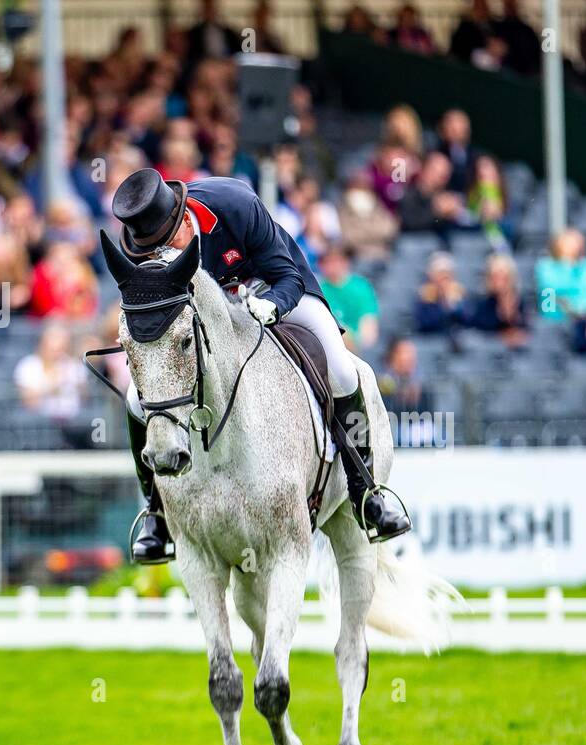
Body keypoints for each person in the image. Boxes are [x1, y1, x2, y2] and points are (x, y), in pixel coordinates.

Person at [108, 168, 411, 562]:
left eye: (169, 246)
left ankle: (365, 490)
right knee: (136, 397)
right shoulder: (137, 245)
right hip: (203, 318)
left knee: (339, 367)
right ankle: (156, 512)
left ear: (185, 218)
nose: (164, 258)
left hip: (273, 288)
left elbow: (286, 275)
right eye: (155, 252)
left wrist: (272, 304)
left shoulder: (235, 205)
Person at [15, 322, 84, 422]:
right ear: (43, 342)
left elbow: (85, 397)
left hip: (73, 424)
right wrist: (52, 387)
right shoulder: (28, 365)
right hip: (39, 425)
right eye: (54, 340)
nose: (58, 347)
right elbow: (29, 401)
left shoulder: (74, 365)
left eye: (63, 343)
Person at [317, 244, 380, 352]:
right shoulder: (318, 289)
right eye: (327, 261)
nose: (332, 266)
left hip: (357, 348)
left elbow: (369, 325)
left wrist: (355, 340)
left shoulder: (361, 287)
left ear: (345, 262)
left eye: (336, 261)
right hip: (328, 344)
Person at [535, 228, 586, 324]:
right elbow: (550, 288)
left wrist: (575, 308)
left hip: (581, 317)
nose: (576, 245)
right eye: (572, 241)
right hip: (552, 316)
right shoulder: (545, 266)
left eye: (578, 242)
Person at [467, 253, 529, 347]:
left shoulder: (519, 302)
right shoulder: (483, 304)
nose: (498, 281)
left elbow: (524, 329)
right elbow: (484, 328)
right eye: (494, 276)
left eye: (502, 276)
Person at [414, 251, 467, 334]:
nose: (444, 280)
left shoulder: (459, 294)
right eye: (440, 275)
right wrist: (444, 306)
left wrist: (452, 303)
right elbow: (426, 323)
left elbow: (466, 321)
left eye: (447, 275)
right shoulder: (424, 296)